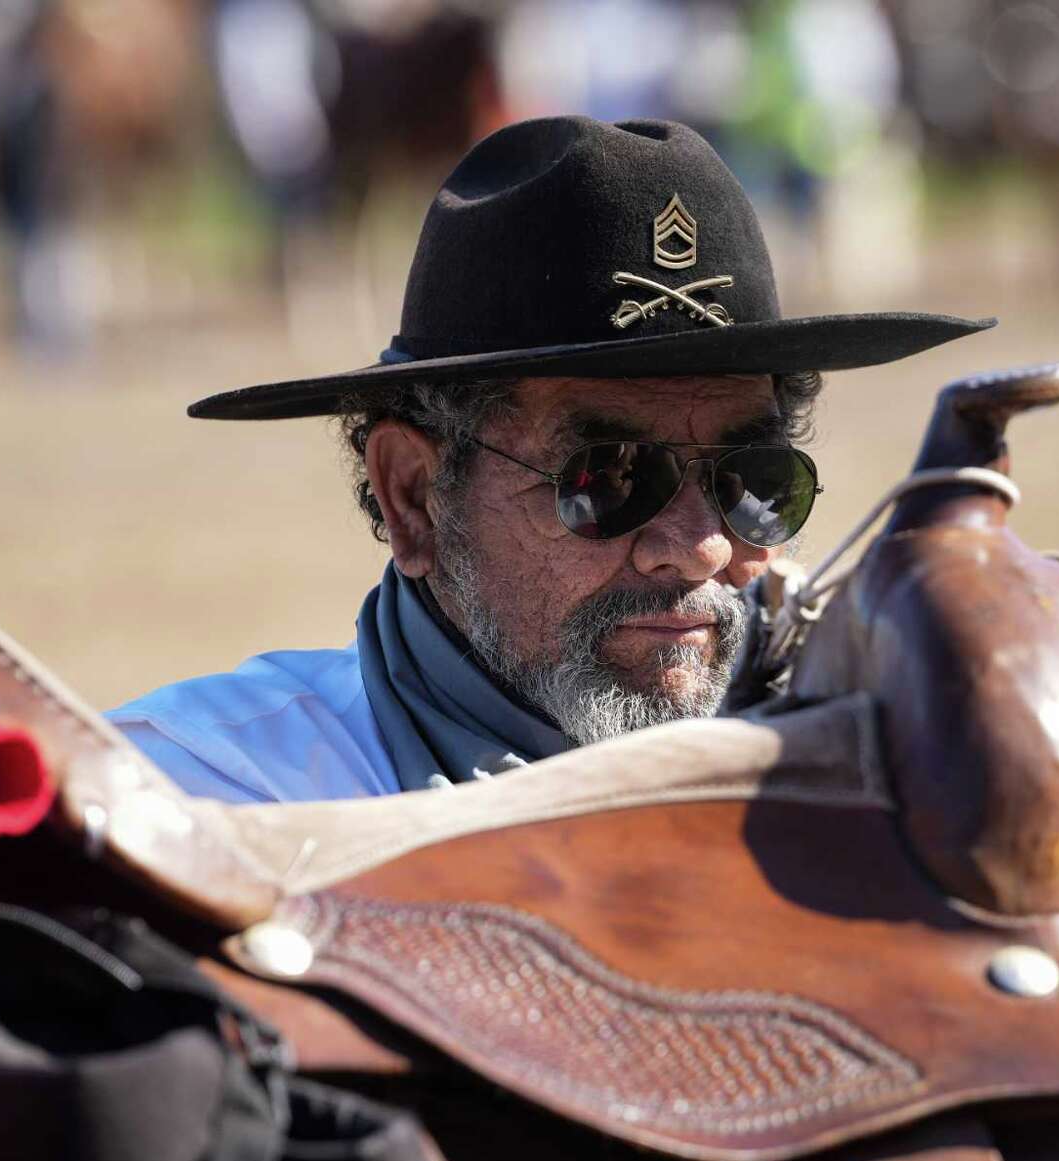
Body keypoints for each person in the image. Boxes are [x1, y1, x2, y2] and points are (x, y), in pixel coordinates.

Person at [111, 116, 990, 801]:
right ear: (414, 496)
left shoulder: (884, 759)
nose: (701, 548)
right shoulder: (205, 803)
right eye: (608, 478)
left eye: (754, 482)